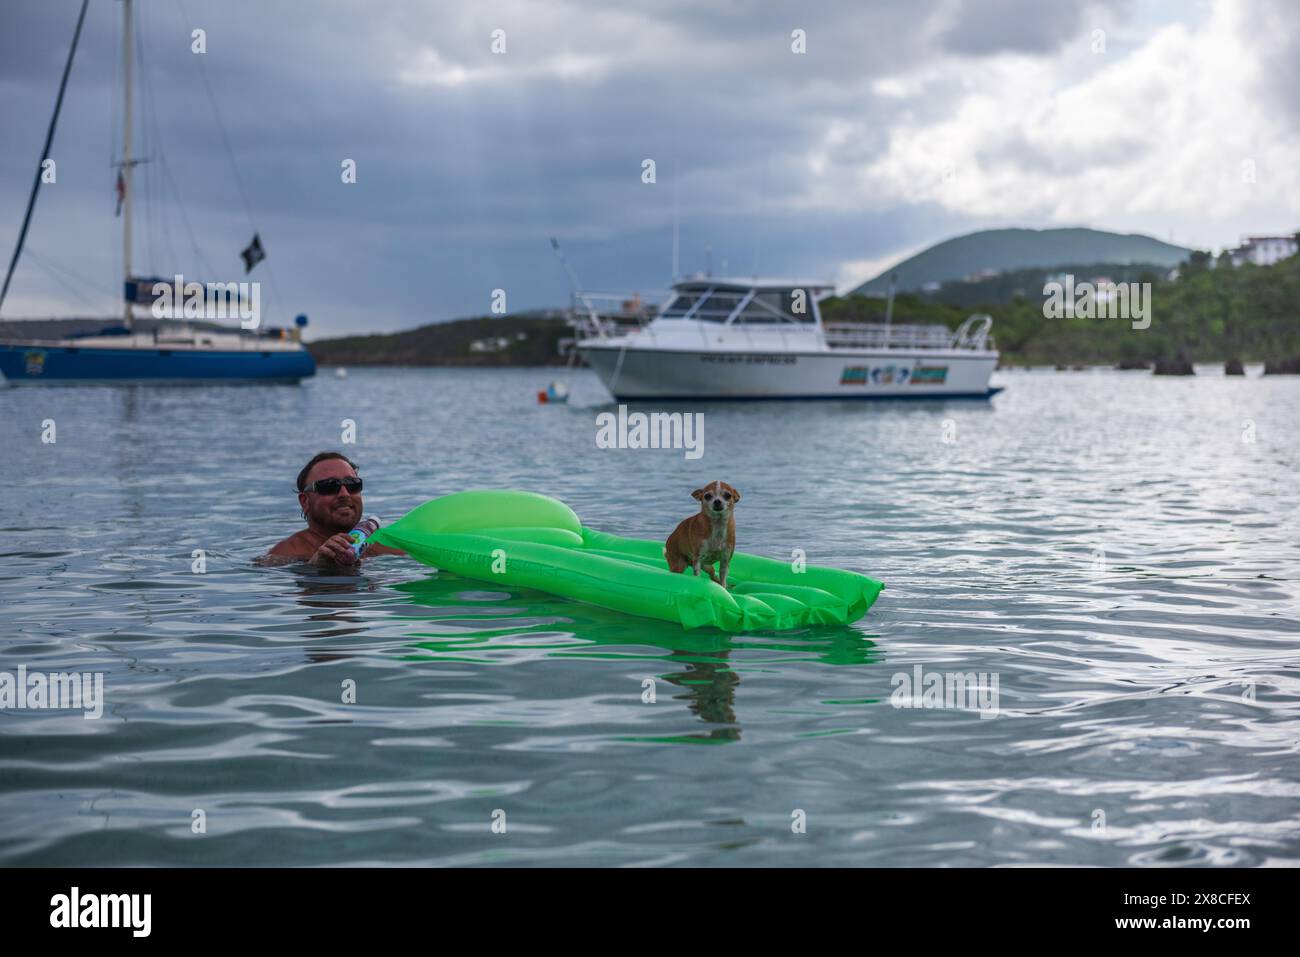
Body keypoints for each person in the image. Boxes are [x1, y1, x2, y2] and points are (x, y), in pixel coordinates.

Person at [266, 451, 405, 565]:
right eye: (329, 486)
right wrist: (315, 569)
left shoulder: (391, 546)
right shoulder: (284, 554)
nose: (344, 494)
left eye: (352, 484)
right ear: (305, 501)